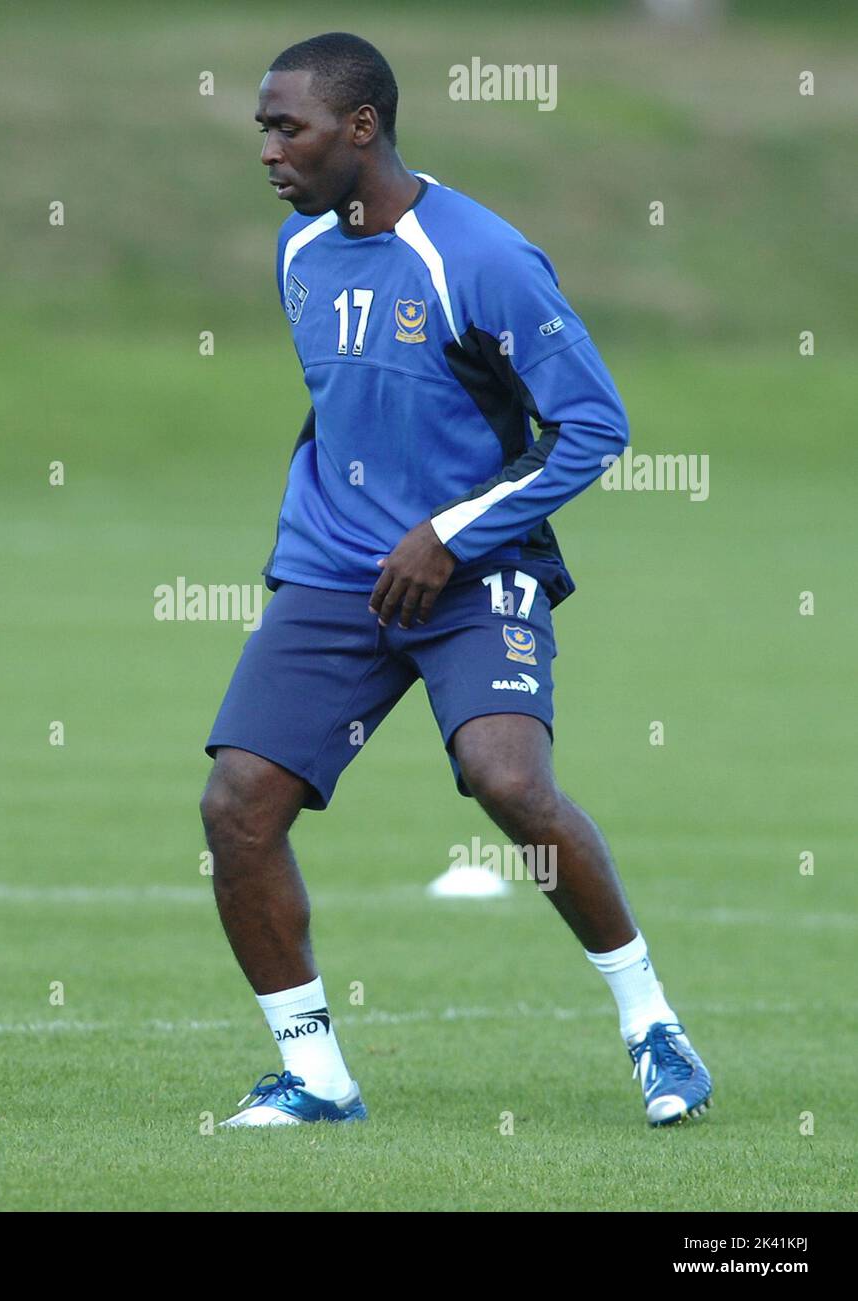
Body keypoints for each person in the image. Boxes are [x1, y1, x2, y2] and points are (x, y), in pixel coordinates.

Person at [200, 32, 712, 1129]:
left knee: (507, 781)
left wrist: (448, 531)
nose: (268, 150)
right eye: (262, 129)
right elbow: (348, 406)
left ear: (361, 127)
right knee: (237, 804)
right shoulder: (299, 252)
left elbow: (591, 426)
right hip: (337, 573)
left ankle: (651, 1024)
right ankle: (317, 1076)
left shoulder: (479, 256)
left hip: (473, 569)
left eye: (286, 127)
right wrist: (332, 534)